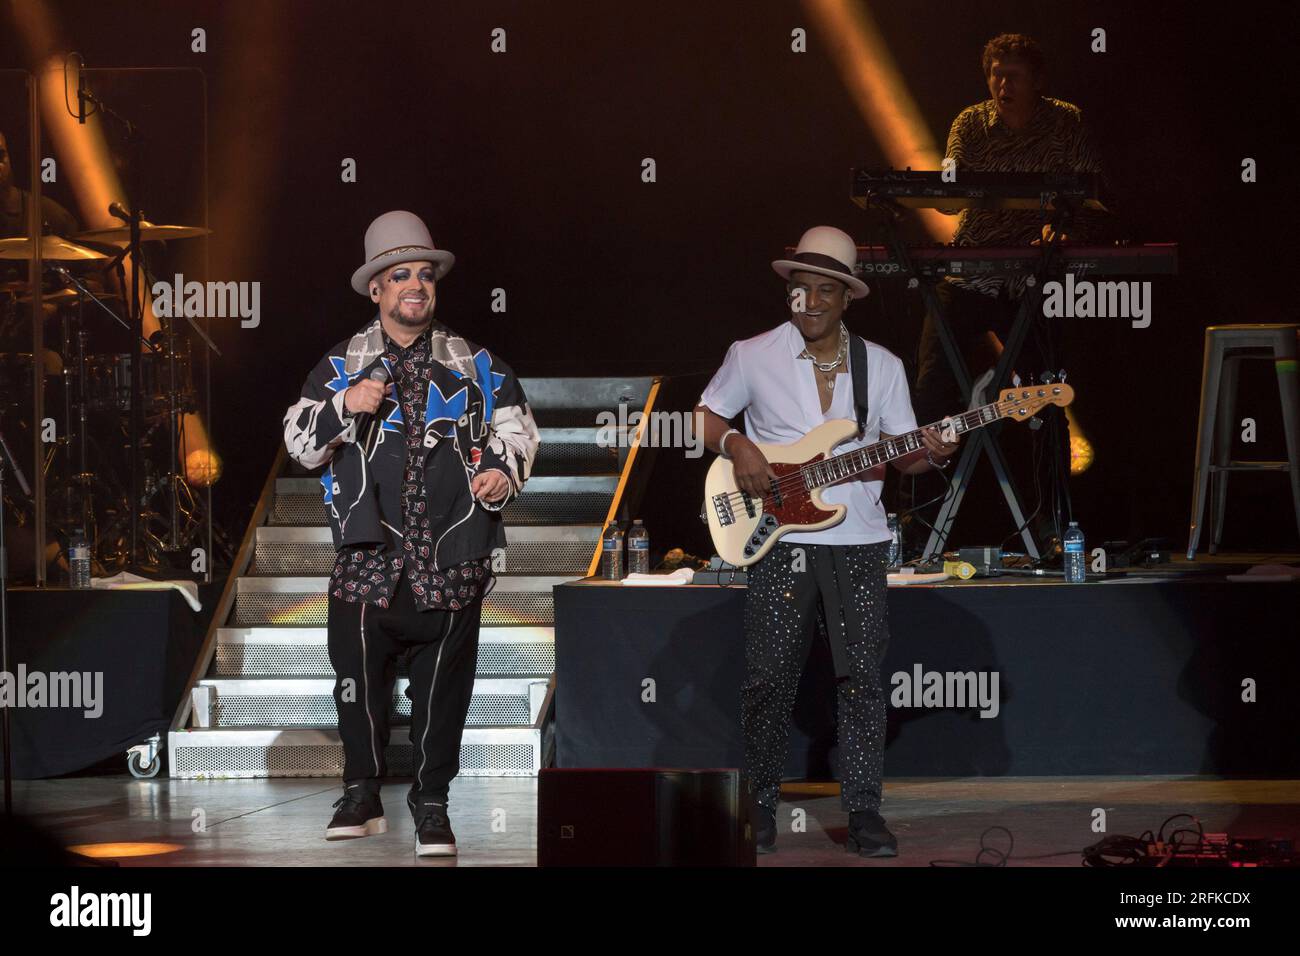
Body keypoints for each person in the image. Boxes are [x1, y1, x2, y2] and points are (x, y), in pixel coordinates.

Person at [694, 226, 958, 857]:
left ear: (846, 297)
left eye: (823, 292)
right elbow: (706, 417)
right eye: (799, 290)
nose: (809, 303)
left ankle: (864, 813)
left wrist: (936, 450)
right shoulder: (751, 353)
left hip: (860, 540)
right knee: (767, 677)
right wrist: (739, 445)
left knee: (863, 680)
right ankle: (758, 804)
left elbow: (905, 462)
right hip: (780, 539)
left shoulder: (883, 366)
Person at [283, 210, 539, 856]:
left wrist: (501, 475)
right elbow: (298, 444)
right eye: (401, 276)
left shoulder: (477, 363)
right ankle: (362, 792)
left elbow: (517, 429)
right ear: (377, 289)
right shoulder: (342, 363)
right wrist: (346, 406)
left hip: (451, 554)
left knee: (443, 694)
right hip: (371, 557)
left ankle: (431, 803)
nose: (416, 286)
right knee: (357, 684)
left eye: (424, 274)